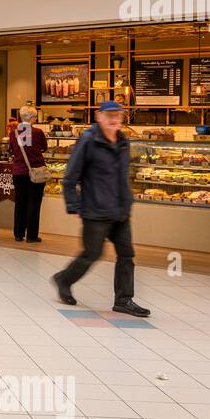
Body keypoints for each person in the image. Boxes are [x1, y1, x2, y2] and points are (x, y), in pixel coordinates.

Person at [52, 100, 150, 317]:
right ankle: (64, 279)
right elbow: (70, 178)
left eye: (118, 115)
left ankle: (124, 299)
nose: (115, 119)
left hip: (120, 210)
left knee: (127, 255)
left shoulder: (123, 141)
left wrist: (127, 201)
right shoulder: (88, 141)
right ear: (99, 117)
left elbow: (122, 176)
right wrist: (73, 205)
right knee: (92, 253)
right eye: (110, 115)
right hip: (95, 209)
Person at [9, 105, 47, 243]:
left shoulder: (13, 133)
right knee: (34, 203)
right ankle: (31, 236)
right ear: (31, 118)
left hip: (19, 172)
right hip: (35, 172)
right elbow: (44, 148)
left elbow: (12, 149)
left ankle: (18, 234)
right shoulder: (37, 132)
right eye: (35, 117)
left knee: (20, 203)